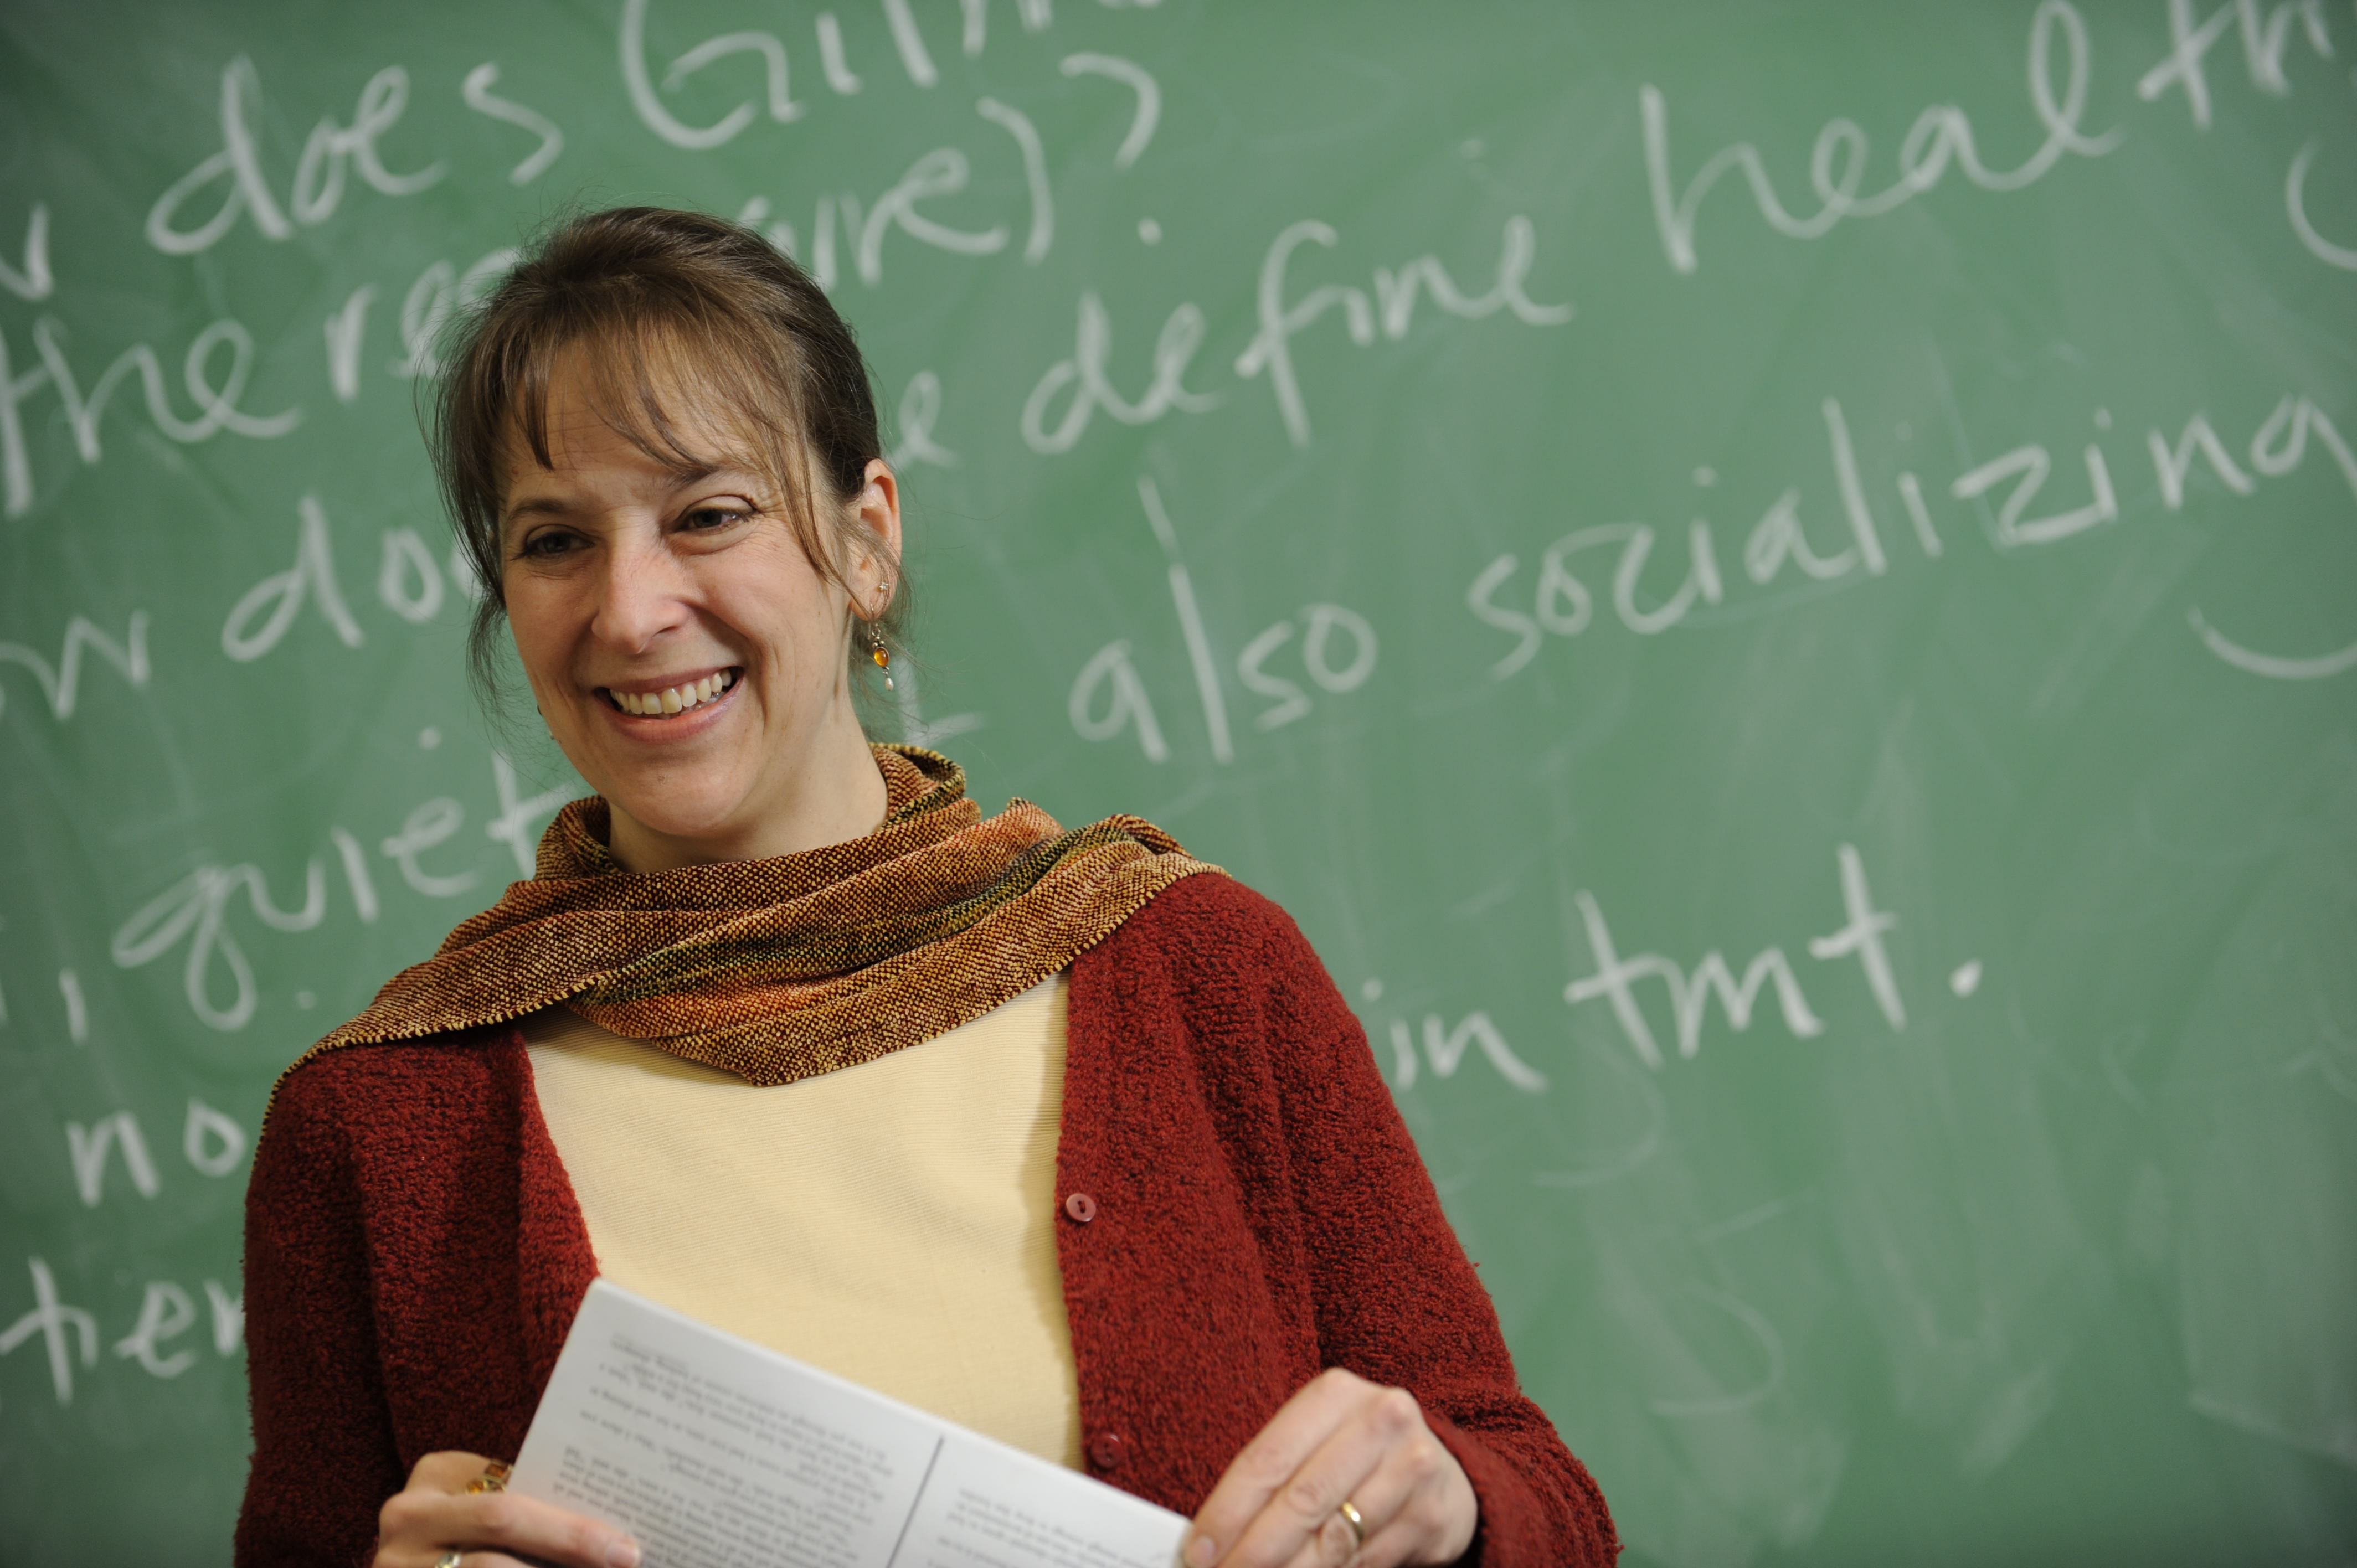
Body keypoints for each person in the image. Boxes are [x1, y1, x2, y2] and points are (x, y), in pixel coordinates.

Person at [234, 207, 1617, 1568]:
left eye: (709, 514)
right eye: (553, 541)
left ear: (866, 540)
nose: (630, 610)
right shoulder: (373, 1125)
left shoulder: (1199, 971)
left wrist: (1455, 1505)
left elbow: (1544, 1500)